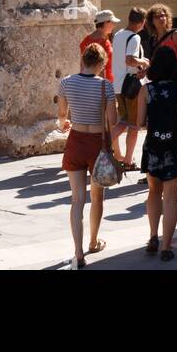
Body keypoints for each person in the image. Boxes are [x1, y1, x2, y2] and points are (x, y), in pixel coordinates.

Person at [57, 42, 118, 268]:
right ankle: (93, 241)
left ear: (83, 60)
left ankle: (78, 251)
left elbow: (62, 116)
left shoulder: (65, 82)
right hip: (97, 145)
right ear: (101, 63)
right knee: (97, 198)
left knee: (76, 200)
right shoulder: (106, 86)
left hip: (75, 141)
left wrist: (64, 123)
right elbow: (113, 120)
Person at [137, 45, 177, 260]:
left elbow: (140, 122)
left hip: (153, 146)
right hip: (176, 148)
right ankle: (167, 247)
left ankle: (153, 236)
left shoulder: (147, 90)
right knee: (171, 198)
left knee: (153, 192)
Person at [111, 6, 149, 169]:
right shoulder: (134, 38)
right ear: (143, 22)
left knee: (124, 121)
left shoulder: (119, 34)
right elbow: (130, 60)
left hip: (118, 84)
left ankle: (102, 145)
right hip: (131, 85)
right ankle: (128, 160)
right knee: (134, 125)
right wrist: (144, 62)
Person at [146, 4, 177, 102]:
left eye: (163, 15)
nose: (161, 18)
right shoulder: (152, 40)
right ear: (152, 21)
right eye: (157, 17)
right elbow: (153, 63)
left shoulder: (175, 35)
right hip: (159, 83)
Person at [80, 9, 120, 83]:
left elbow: (82, 65)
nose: (114, 25)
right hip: (103, 84)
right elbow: (101, 68)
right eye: (112, 22)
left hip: (89, 82)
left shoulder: (85, 41)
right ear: (105, 23)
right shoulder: (104, 43)